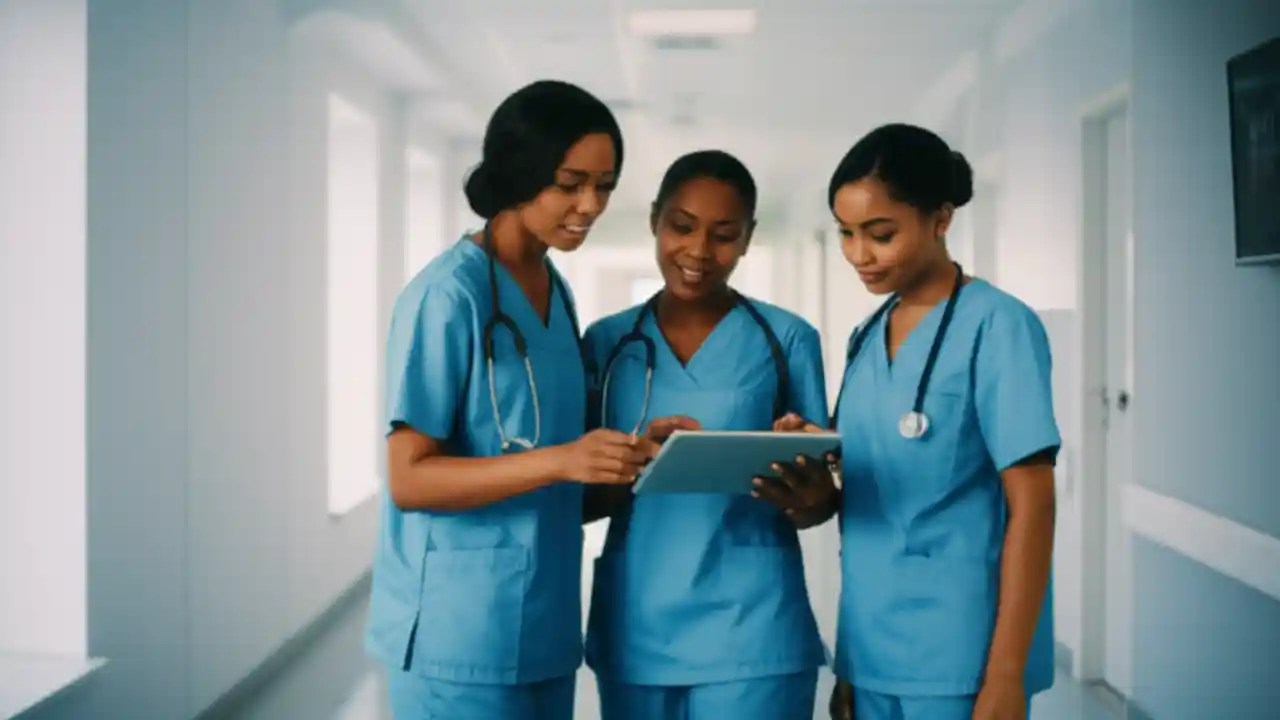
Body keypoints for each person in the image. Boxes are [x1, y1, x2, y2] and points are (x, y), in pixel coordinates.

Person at [366, 79, 669, 720]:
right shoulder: (449, 296)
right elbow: (408, 480)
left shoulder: (555, 294)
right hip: (458, 635)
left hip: (544, 627)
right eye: (569, 182)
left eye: (605, 185)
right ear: (519, 173)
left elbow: (557, 487)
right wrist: (563, 460)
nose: (591, 204)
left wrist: (636, 463)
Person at [756, 123, 1059, 720]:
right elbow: (865, 499)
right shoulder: (866, 337)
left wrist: (1005, 678)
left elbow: (1035, 505)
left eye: (881, 234)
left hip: (962, 651)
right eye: (845, 233)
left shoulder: (998, 326)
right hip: (873, 648)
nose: (859, 255)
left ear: (941, 218)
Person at [581, 150, 829, 720]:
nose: (697, 252)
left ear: (747, 239)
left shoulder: (786, 339)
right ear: (654, 221)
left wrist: (807, 491)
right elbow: (578, 499)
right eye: (682, 226)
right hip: (636, 624)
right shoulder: (605, 344)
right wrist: (636, 462)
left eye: (724, 234)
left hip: (754, 627)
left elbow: (822, 503)